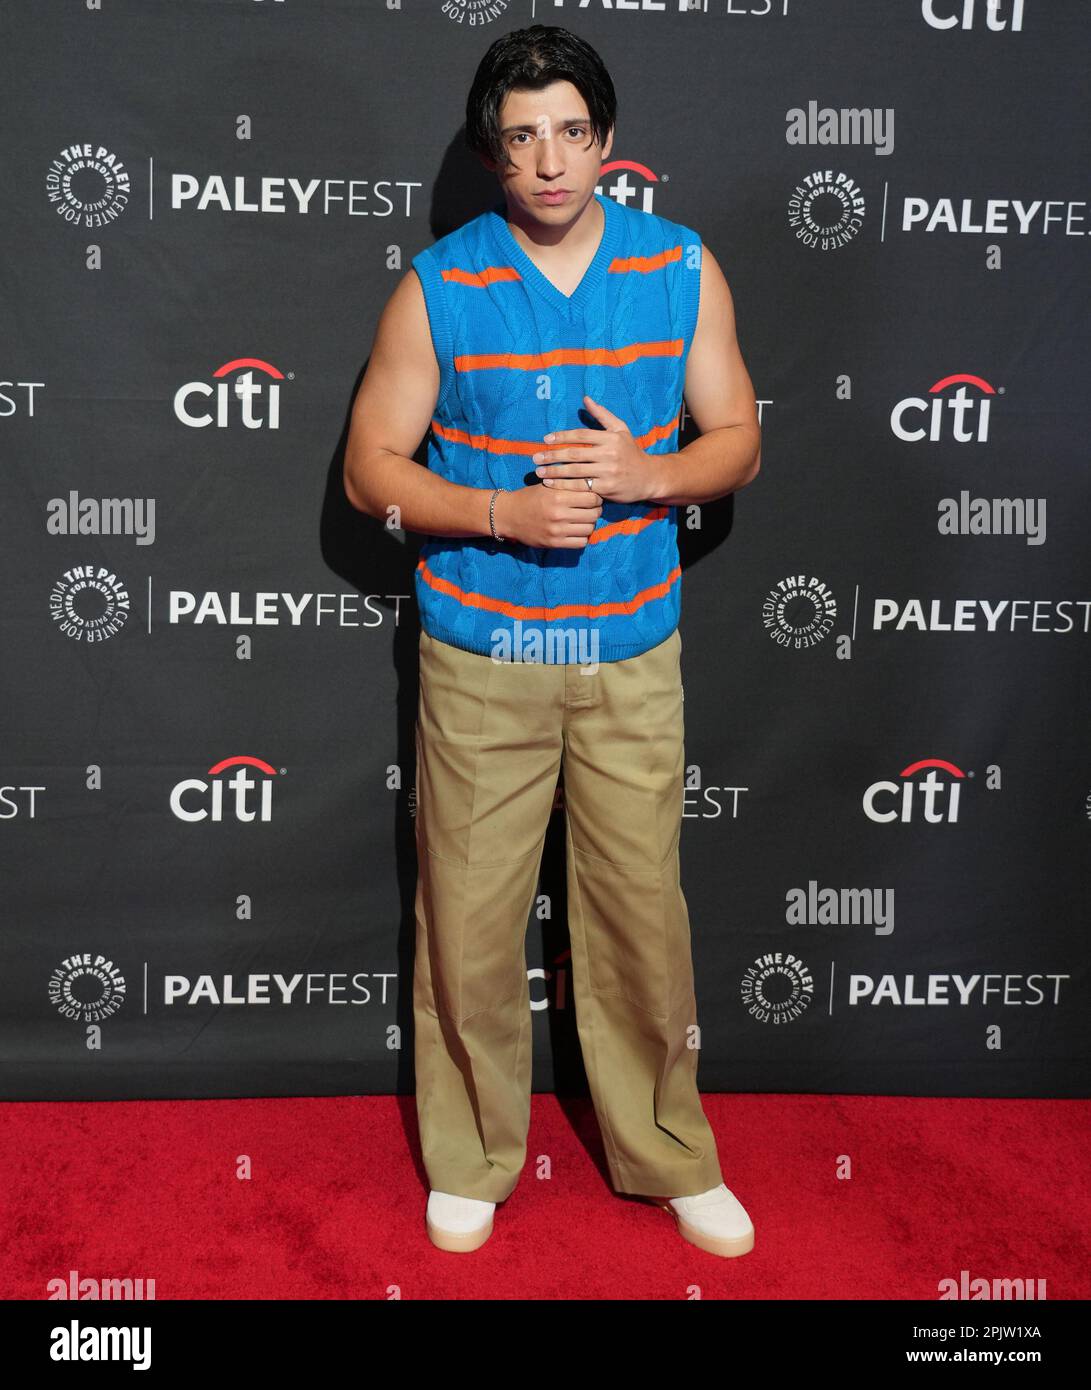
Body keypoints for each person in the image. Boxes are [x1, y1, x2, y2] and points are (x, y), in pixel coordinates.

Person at [343, 23, 761, 1259]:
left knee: (639, 912)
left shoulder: (682, 266)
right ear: (492, 153)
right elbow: (370, 468)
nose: (548, 161)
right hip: (481, 658)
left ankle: (668, 1150)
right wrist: (496, 510)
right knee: (467, 919)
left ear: (607, 142)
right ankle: (472, 1151)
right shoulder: (439, 285)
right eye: (521, 138)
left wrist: (649, 472)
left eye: (570, 133)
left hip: (631, 650)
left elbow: (735, 436)